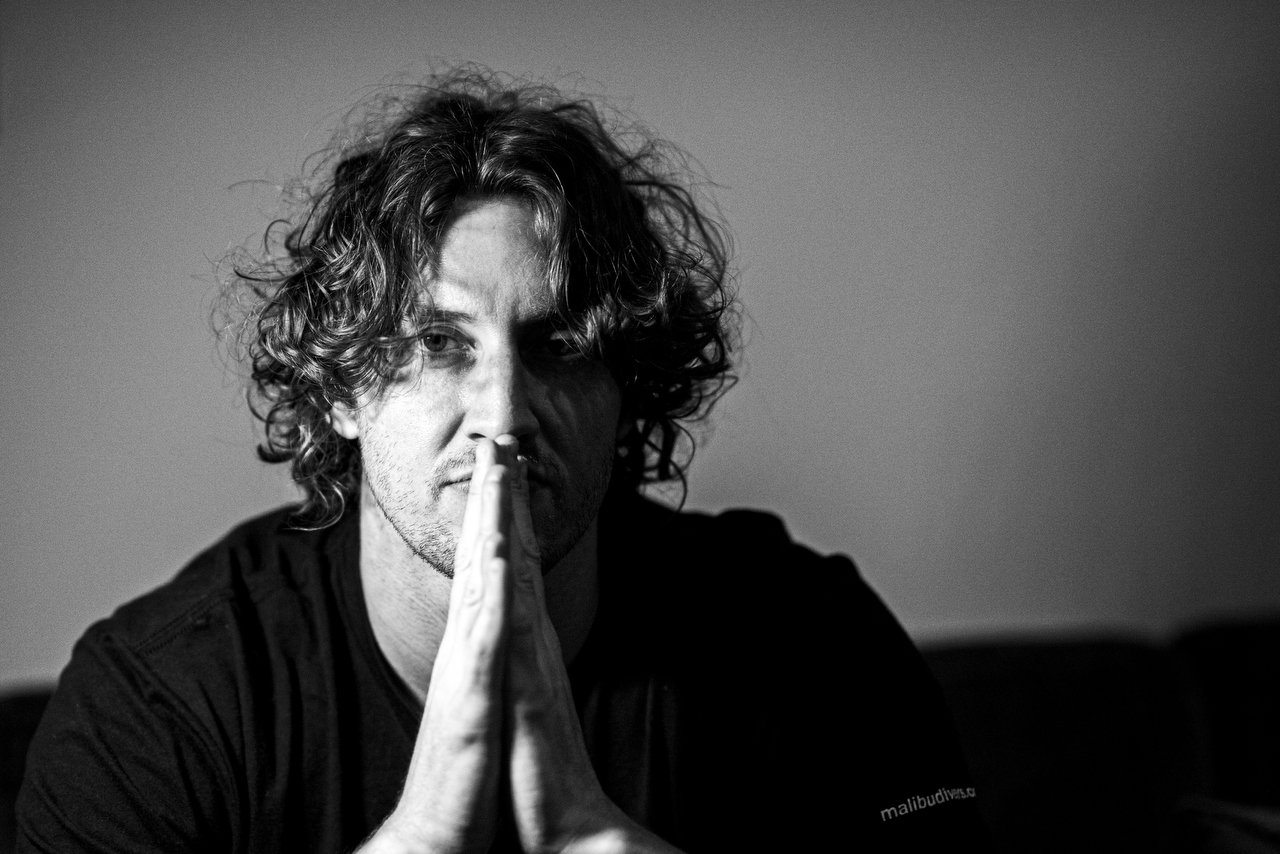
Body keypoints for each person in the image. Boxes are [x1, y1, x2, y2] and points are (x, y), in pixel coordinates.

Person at [16, 69, 987, 852]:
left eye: (558, 345)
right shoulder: (158, 703)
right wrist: (424, 834)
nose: (504, 414)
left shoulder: (814, 641)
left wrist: (586, 832)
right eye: (440, 344)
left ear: (625, 389)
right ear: (344, 388)